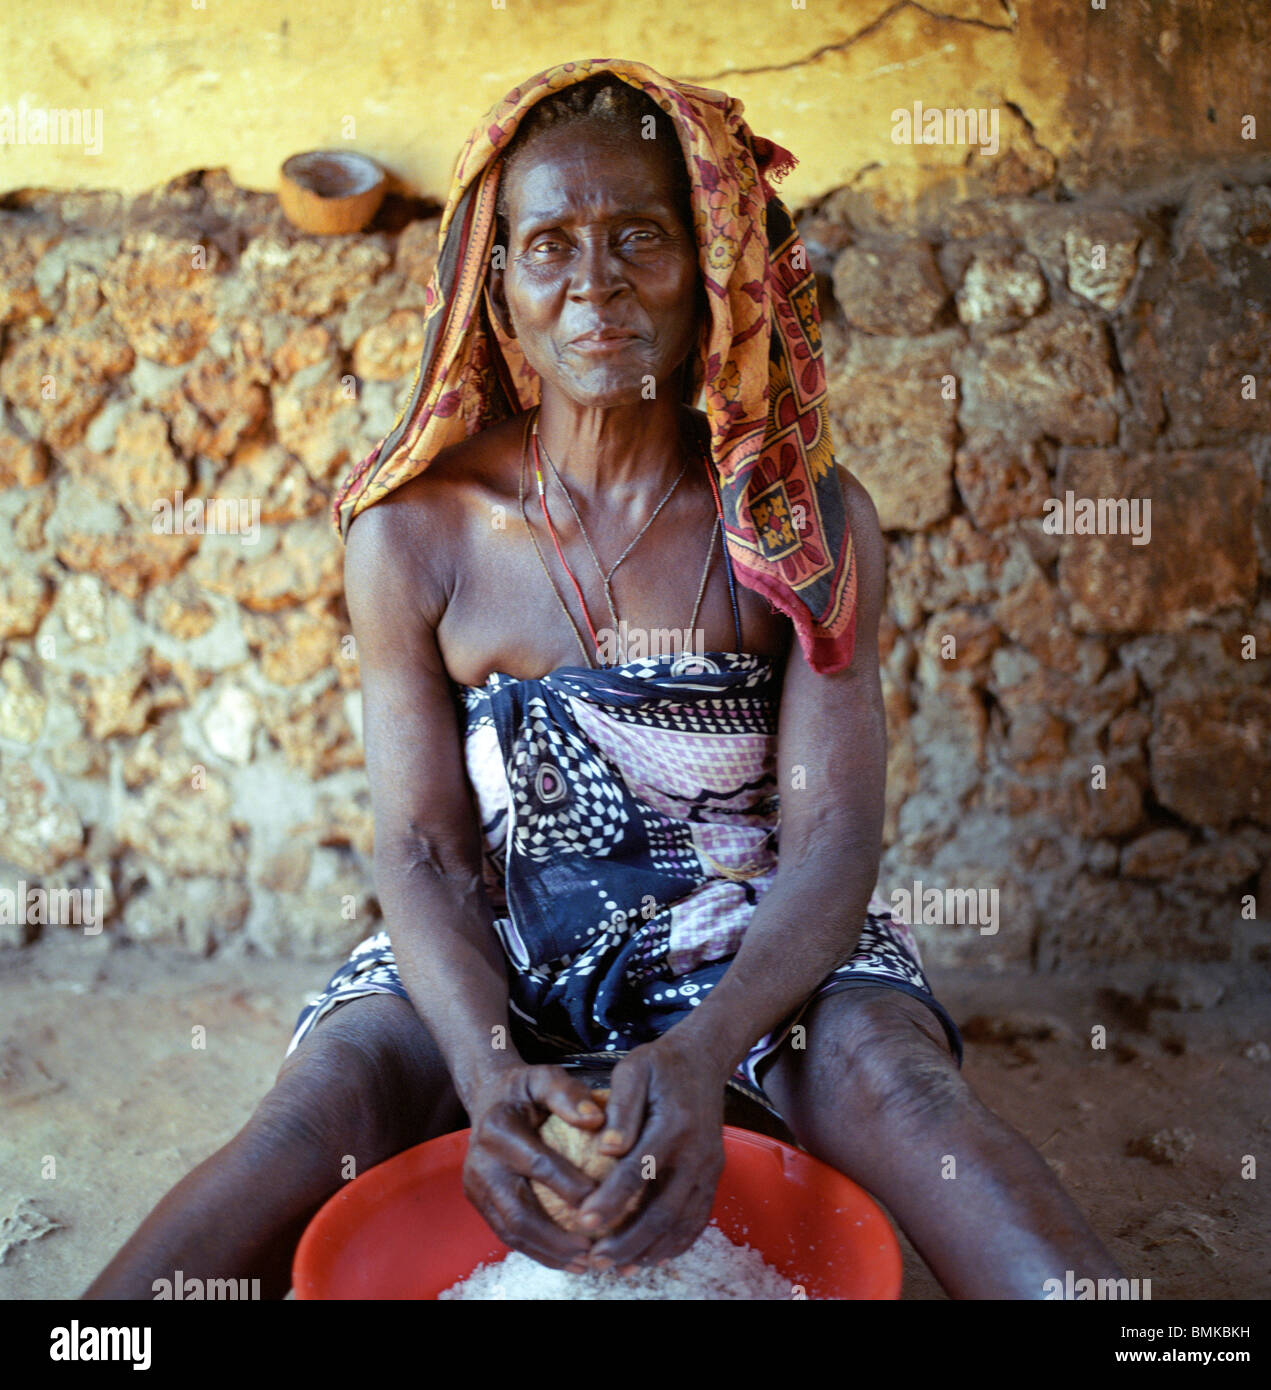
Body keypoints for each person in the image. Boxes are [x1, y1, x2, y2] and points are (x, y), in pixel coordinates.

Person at [85, 58, 1120, 1299]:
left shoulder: (801, 525)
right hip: (501, 937)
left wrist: (703, 1049)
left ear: (712, 276)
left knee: (896, 1088)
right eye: (549, 246)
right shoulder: (417, 534)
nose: (595, 284)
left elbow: (835, 837)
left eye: (641, 237)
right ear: (498, 288)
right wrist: (482, 1073)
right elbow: (421, 850)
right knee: (314, 1119)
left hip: (746, 941)